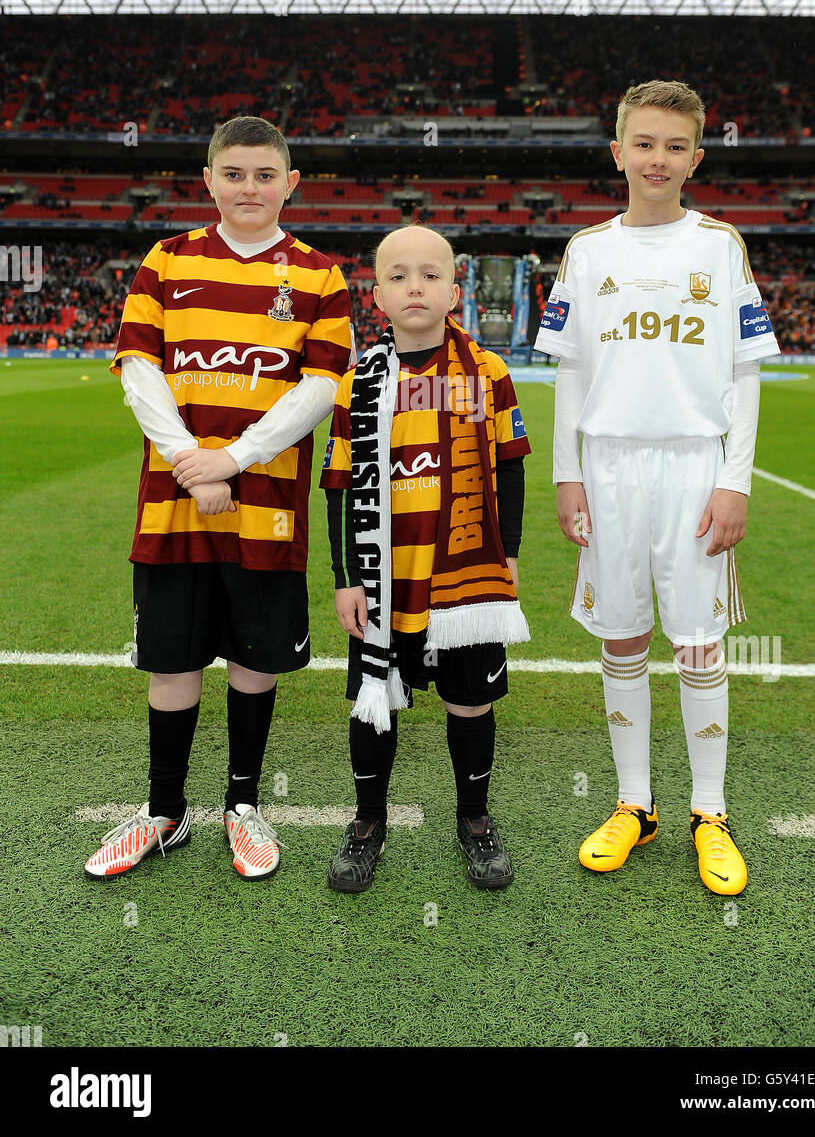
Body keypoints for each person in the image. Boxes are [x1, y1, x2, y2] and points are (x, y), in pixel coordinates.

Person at [84, 115, 352, 882]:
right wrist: (189, 462)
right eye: (233, 174)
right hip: (172, 501)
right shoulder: (165, 261)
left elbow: (320, 387)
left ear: (290, 183)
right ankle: (164, 812)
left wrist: (231, 459)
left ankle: (242, 805)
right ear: (208, 180)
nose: (249, 188)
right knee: (171, 660)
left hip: (264, 504)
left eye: (265, 175)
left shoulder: (319, 275)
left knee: (252, 660)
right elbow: (139, 369)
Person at [535, 80, 780, 896]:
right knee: (620, 638)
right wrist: (568, 473)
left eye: (675, 146)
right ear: (617, 152)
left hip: (692, 466)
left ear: (695, 158)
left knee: (700, 644)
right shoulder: (586, 251)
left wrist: (734, 481)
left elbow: (745, 374)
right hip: (607, 468)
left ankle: (707, 812)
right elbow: (569, 372)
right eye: (643, 143)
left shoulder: (720, 246)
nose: (658, 159)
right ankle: (633, 803)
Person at [320, 225, 531, 892]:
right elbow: (339, 485)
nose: (416, 286)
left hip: (465, 579)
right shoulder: (359, 382)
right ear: (376, 292)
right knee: (373, 700)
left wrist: (513, 555)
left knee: (469, 705)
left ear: (453, 289)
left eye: (431, 274)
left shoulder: (487, 373)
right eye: (399, 275)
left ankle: (473, 819)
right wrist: (345, 580)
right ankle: (366, 823)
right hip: (385, 583)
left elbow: (510, 468)